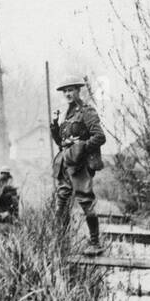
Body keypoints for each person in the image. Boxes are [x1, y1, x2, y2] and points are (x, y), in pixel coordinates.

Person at [50, 75, 106, 253]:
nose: (67, 93)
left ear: (78, 91)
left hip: (80, 165)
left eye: (71, 90)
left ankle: (95, 243)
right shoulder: (67, 115)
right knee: (61, 202)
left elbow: (99, 137)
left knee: (85, 201)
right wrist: (54, 126)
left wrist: (81, 148)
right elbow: (61, 143)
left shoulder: (87, 111)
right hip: (65, 164)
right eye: (65, 91)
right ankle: (61, 243)